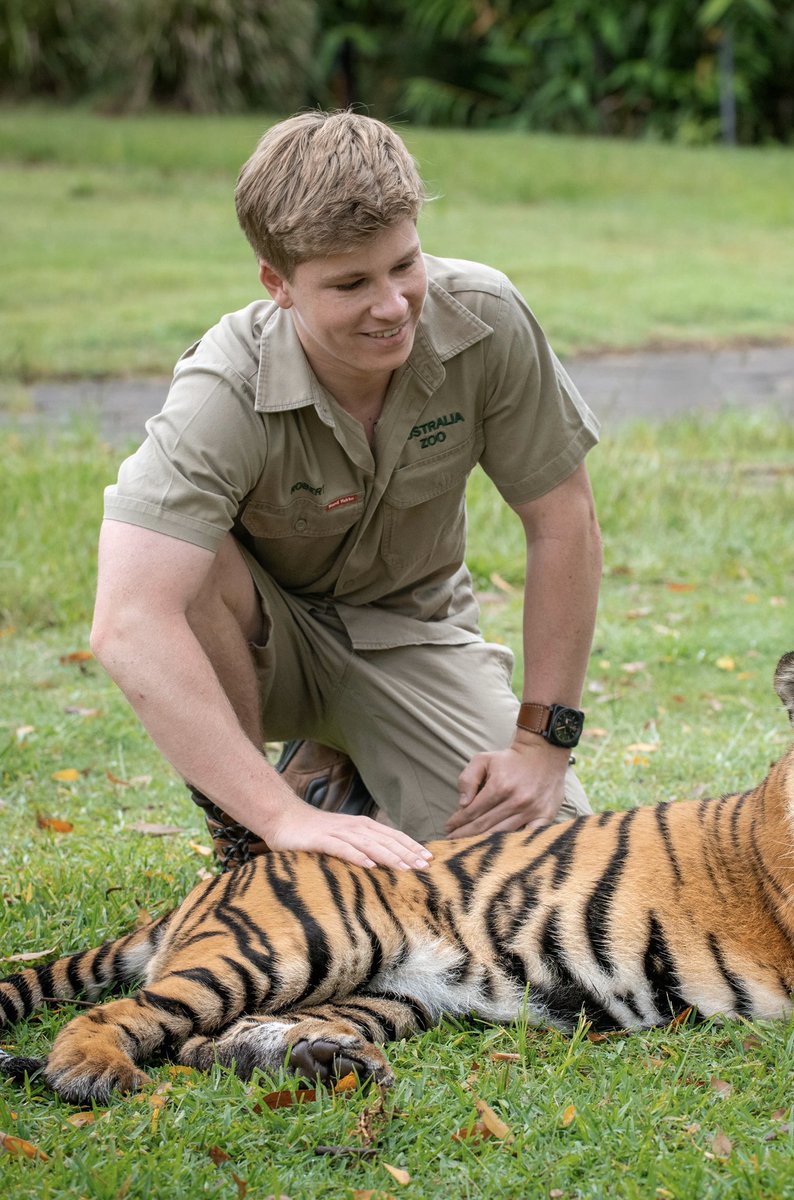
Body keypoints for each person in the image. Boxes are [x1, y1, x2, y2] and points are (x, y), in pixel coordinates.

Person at [90, 110, 602, 873]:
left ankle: (346, 763)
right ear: (279, 284)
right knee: (182, 575)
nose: (392, 304)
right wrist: (278, 816)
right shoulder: (222, 389)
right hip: (266, 651)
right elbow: (128, 620)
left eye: (404, 264)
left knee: (549, 866)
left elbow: (563, 521)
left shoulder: (485, 320)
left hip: (413, 637)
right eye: (351, 283)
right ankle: (252, 840)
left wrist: (540, 744)